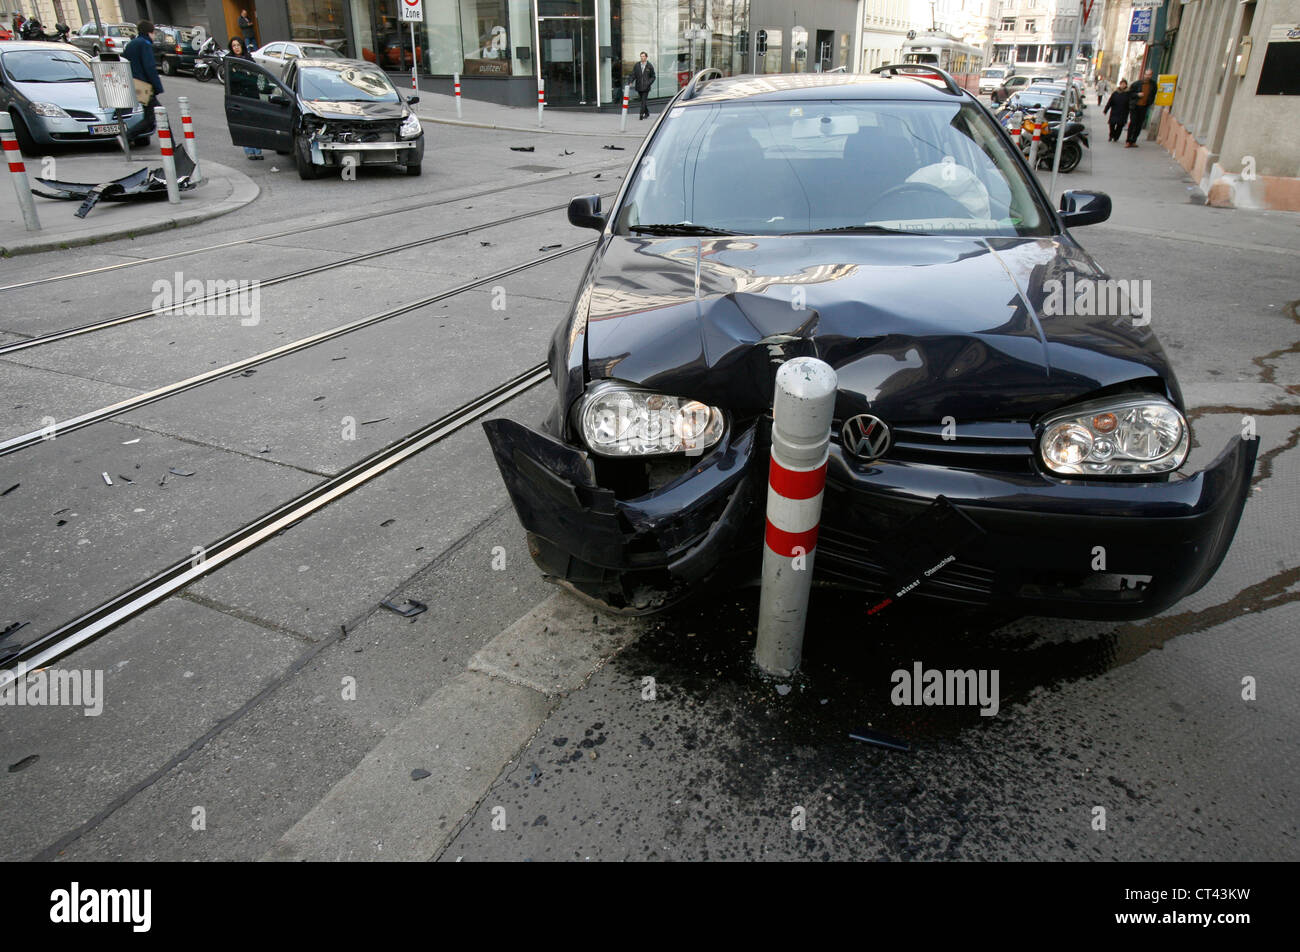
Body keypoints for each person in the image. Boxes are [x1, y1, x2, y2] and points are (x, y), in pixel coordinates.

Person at [123, 21, 162, 135]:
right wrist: (157, 87)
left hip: (135, 83)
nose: (154, 36)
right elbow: (150, 67)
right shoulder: (145, 44)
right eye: (153, 33)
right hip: (144, 85)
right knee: (157, 115)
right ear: (149, 33)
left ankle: (171, 144)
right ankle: (126, 136)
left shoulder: (132, 44)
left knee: (155, 114)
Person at [227, 37, 263, 159]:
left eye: (238, 45)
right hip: (239, 97)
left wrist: (246, 78)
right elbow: (235, 79)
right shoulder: (230, 61)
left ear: (242, 46)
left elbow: (256, 76)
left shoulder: (249, 59)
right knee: (245, 125)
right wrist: (247, 77)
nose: (236, 48)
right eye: (234, 46)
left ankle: (258, 151)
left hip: (252, 95)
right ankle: (249, 151)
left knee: (256, 124)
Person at [1126, 68, 1157, 148]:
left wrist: (1150, 103)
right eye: (1146, 74)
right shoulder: (1137, 84)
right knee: (1133, 123)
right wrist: (1137, 95)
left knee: (1139, 124)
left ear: (1151, 75)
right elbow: (1129, 94)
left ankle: (1134, 140)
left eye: (1149, 75)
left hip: (1144, 107)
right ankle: (1128, 141)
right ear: (1144, 75)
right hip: (1135, 106)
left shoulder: (1153, 85)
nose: (1147, 76)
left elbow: (1153, 95)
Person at [631, 51, 654, 120]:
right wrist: (631, 81)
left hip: (646, 87)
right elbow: (633, 74)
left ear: (646, 57)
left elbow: (653, 76)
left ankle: (641, 115)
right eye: (641, 56)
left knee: (643, 101)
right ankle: (647, 113)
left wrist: (648, 83)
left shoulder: (649, 66)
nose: (642, 58)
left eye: (643, 56)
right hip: (639, 86)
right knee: (642, 101)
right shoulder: (637, 65)